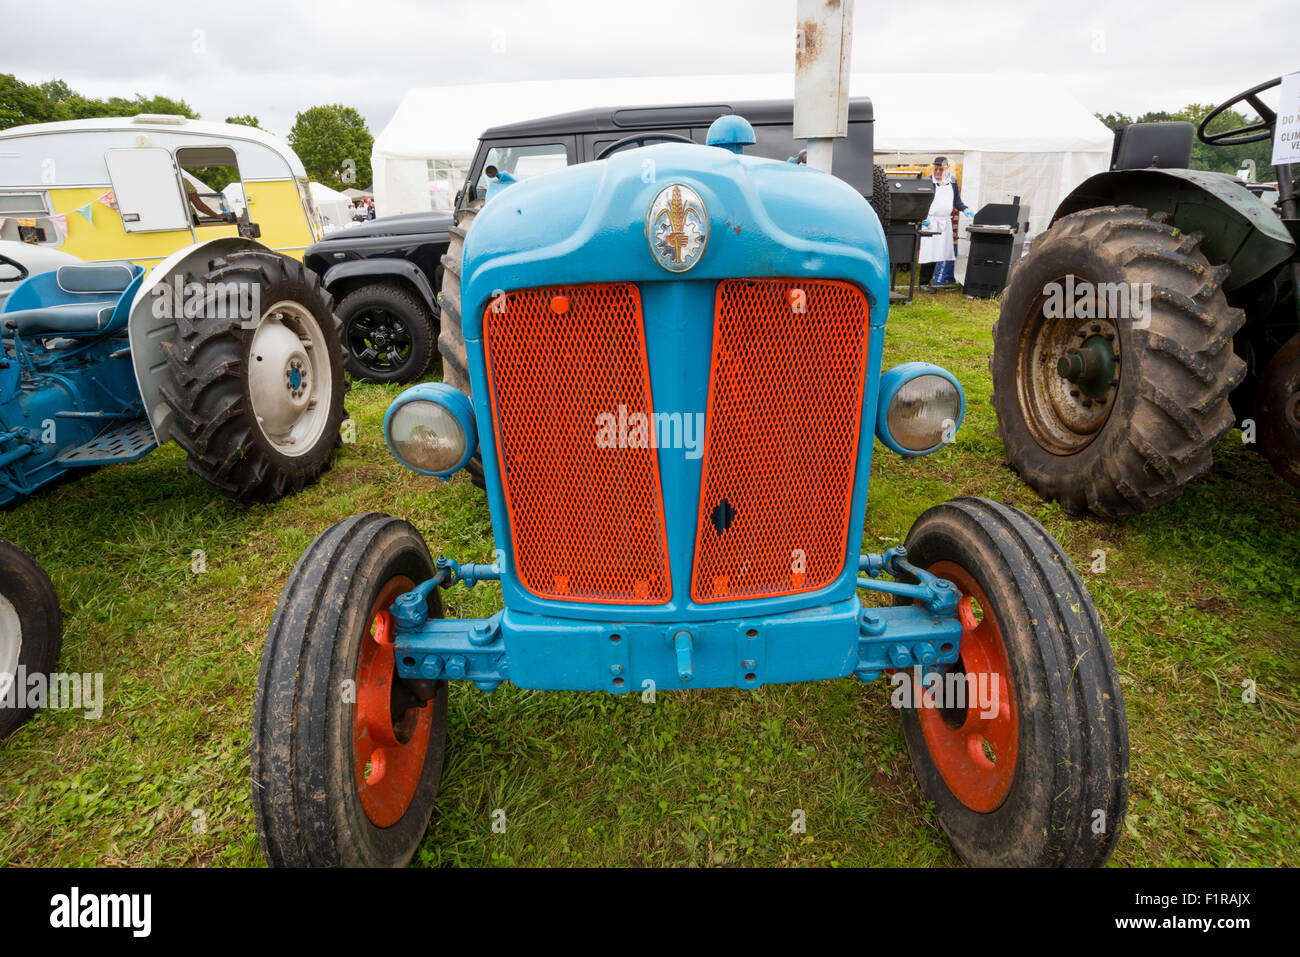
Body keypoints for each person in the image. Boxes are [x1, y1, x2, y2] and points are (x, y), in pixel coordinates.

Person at [918, 156, 973, 290]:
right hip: (930, 221)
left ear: (946, 168)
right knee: (929, 252)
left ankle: (934, 281)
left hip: (945, 222)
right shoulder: (928, 182)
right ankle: (923, 283)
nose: (937, 172)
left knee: (939, 251)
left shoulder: (952, 182)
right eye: (935, 169)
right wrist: (922, 217)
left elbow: (956, 201)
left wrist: (965, 209)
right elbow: (921, 202)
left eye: (940, 169)